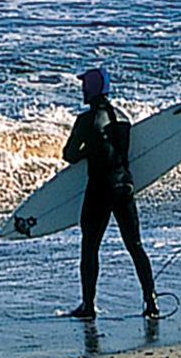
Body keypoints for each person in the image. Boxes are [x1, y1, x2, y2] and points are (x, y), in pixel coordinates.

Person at [63, 66, 159, 319]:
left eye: (84, 85)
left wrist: (88, 151)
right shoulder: (123, 117)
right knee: (135, 244)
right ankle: (151, 301)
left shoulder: (86, 120)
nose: (82, 89)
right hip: (126, 185)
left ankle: (88, 306)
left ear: (91, 89)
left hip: (101, 187)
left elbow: (69, 155)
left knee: (90, 246)